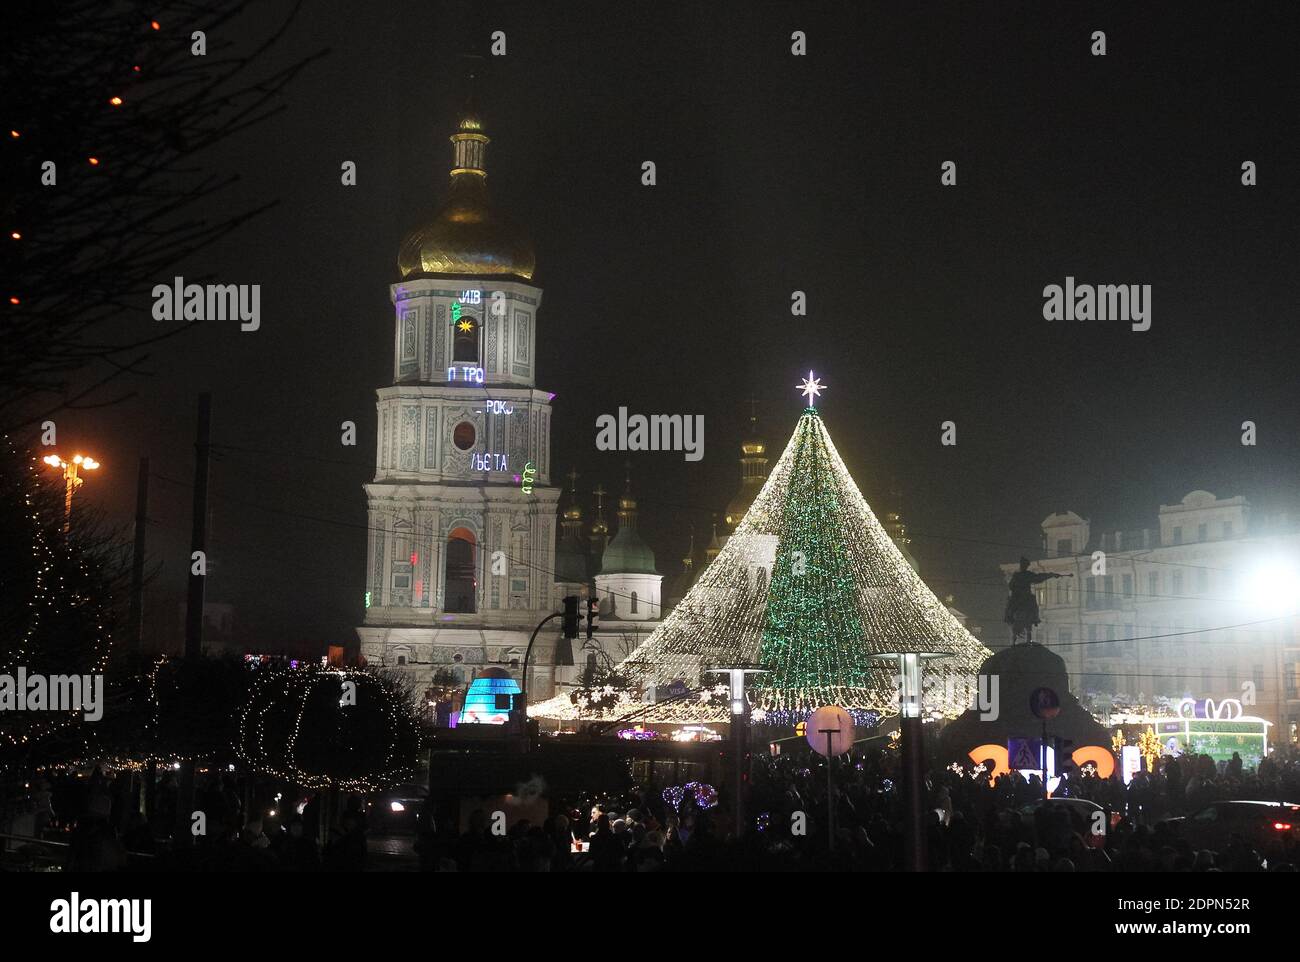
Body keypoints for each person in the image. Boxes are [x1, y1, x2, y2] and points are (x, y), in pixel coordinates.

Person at [1004, 557, 1065, 642]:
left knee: (1011, 606)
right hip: (1025, 596)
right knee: (1032, 602)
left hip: (1017, 596)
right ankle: (1035, 618)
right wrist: (1051, 575)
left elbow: (1011, 586)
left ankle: (1009, 617)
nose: (1023, 566)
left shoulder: (1017, 575)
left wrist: (1051, 575)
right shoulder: (1027, 574)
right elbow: (1038, 578)